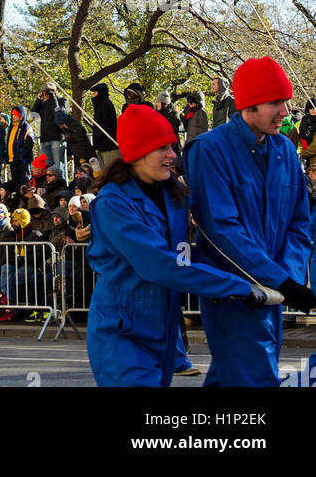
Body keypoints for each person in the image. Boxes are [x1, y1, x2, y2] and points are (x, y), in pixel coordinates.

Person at [87, 105, 261, 387]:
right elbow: (161, 264)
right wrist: (241, 287)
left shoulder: (174, 197)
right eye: (162, 148)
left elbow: (190, 252)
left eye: (172, 146)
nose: (172, 155)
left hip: (164, 332)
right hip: (123, 336)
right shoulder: (113, 204)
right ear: (137, 153)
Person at [185, 57, 316, 387]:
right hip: (234, 293)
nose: (286, 111)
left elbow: (300, 223)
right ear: (248, 105)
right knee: (254, 378)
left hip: (273, 293)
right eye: (276, 103)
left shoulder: (285, 150)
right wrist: (281, 280)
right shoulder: (208, 149)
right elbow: (220, 228)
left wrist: (285, 278)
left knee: (234, 378)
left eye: (286, 102)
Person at [31, 83, 65, 173]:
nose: (45, 94)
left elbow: (57, 112)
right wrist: (39, 99)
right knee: (47, 168)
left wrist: (53, 96)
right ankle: (51, 186)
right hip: (45, 139)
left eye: (47, 92)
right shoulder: (43, 104)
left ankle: (63, 185)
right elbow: (33, 113)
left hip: (56, 138)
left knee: (59, 167)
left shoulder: (62, 101)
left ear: (55, 91)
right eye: (44, 92)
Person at [4, 105, 34, 189]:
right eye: (12, 114)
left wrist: (20, 155)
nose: (13, 116)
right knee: (16, 183)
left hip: (23, 161)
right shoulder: (11, 127)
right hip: (13, 160)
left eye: (16, 114)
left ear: (21, 115)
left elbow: (29, 143)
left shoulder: (26, 127)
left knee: (24, 183)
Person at [89, 85, 119, 168]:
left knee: (111, 173)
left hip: (109, 148)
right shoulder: (99, 107)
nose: (93, 95)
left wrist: (96, 143)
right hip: (102, 148)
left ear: (100, 93)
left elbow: (104, 127)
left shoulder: (106, 105)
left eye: (95, 92)